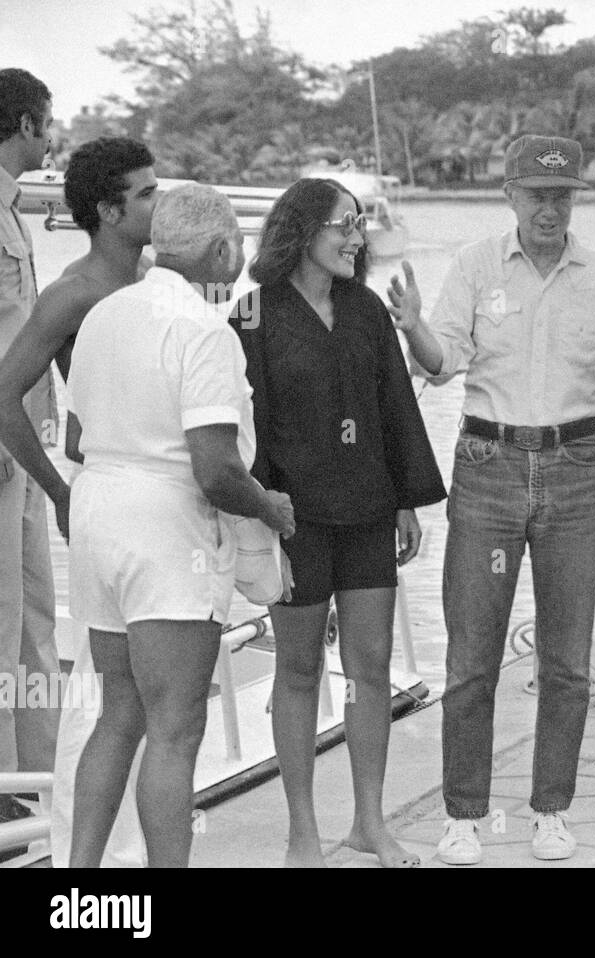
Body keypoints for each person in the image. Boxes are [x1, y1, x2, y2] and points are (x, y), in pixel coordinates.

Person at [390, 134, 595, 865]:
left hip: (575, 468)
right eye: (536, 195)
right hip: (488, 464)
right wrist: (412, 328)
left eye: (562, 196)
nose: (549, 209)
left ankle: (550, 811)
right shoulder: (473, 266)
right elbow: (441, 364)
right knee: (471, 657)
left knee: (567, 663)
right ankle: (463, 814)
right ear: (511, 195)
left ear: (575, 199)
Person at [66, 184, 295, 867]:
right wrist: (269, 507)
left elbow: (77, 435)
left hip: (97, 517)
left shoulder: (106, 314)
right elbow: (216, 470)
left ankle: (78, 881)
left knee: (118, 714)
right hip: (166, 535)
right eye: (239, 244)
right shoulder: (203, 328)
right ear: (223, 249)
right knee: (174, 730)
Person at [229, 177, 445, 868]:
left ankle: (370, 823)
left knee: (371, 668)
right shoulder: (253, 315)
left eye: (359, 224)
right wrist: (260, 516)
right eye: (342, 225)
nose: (357, 237)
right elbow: (241, 426)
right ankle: (302, 834)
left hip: (367, 509)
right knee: (296, 669)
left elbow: (393, 407)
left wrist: (406, 498)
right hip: (294, 518)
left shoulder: (367, 311)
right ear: (300, 231)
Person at [0, 135, 158, 867]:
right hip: (104, 500)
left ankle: (146, 839)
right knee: (108, 686)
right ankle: (90, 854)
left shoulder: (162, 282)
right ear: (107, 207)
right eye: (147, 192)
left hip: (171, 507)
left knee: (162, 689)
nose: (159, 203)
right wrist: (60, 490)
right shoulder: (73, 293)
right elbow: (4, 394)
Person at [0, 67, 59, 835]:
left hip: (23, 447)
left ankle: (36, 776)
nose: (51, 136)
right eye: (45, 123)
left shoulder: (13, 212)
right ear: (20, 124)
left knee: (34, 617)